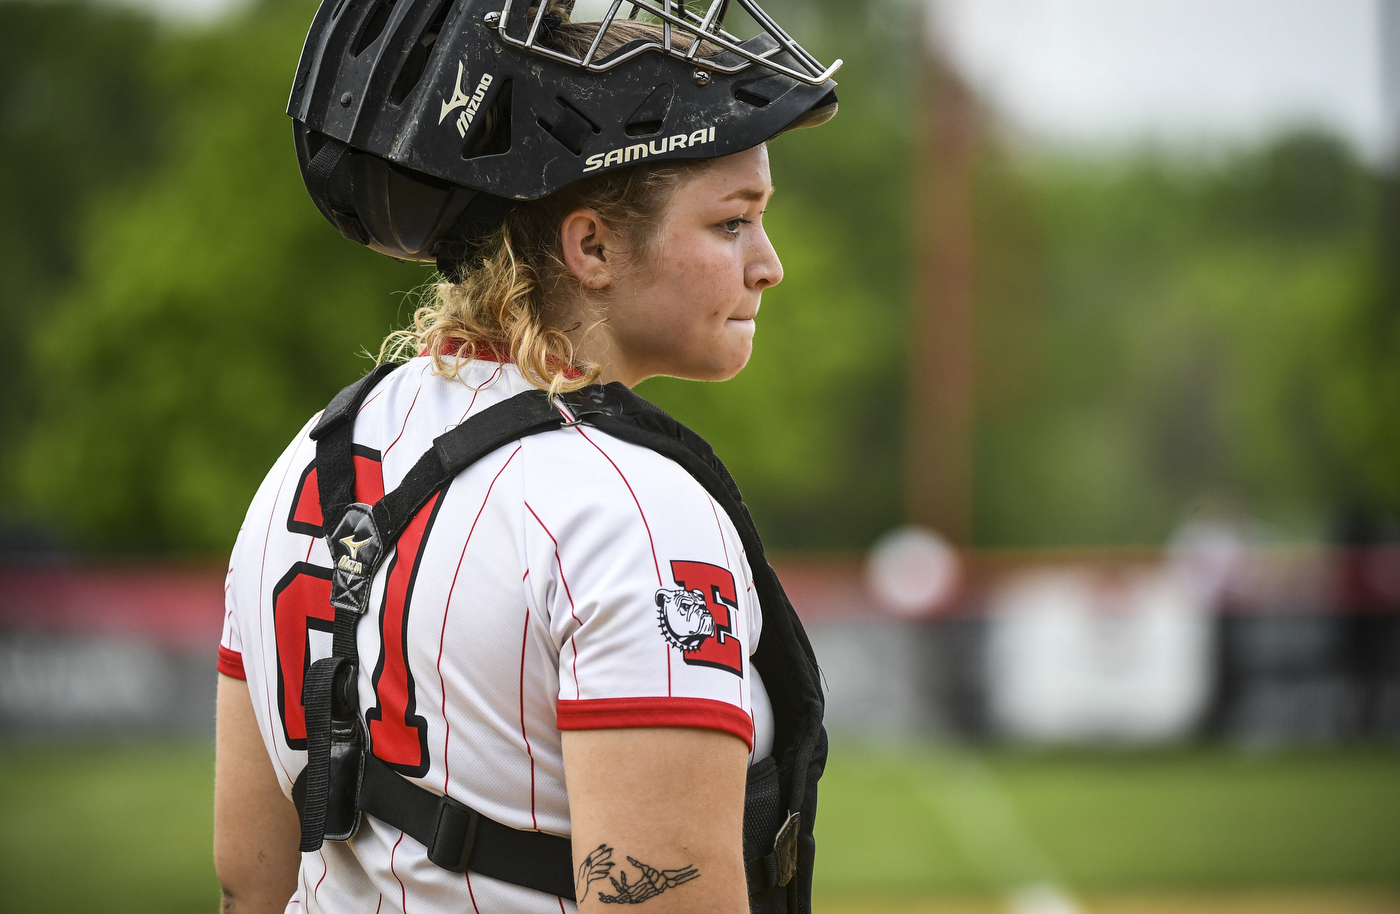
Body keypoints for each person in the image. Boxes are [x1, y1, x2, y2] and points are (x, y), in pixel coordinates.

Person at [213, 2, 838, 912]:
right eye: (731, 222)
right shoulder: (633, 509)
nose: (768, 264)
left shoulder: (309, 456)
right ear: (590, 245)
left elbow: (249, 880)